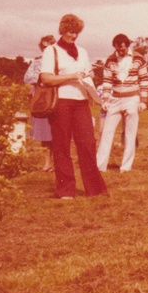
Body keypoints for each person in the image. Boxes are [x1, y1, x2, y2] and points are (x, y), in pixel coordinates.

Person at [39, 14, 107, 199]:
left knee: (87, 144)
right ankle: (65, 190)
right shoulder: (51, 51)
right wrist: (71, 76)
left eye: (77, 32)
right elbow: (45, 78)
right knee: (61, 147)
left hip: (81, 102)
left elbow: (85, 76)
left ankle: (94, 189)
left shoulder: (83, 52)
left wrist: (88, 77)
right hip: (61, 102)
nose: (74, 35)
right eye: (70, 31)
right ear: (62, 30)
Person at [96, 34, 148, 173]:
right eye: (118, 49)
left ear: (128, 46)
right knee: (107, 132)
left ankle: (125, 167)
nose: (120, 52)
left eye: (123, 49)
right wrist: (105, 99)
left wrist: (143, 101)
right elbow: (107, 81)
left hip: (132, 99)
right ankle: (100, 166)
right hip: (114, 99)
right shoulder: (110, 60)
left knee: (130, 134)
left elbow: (144, 79)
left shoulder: (139, 59)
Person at [24, 34, 57, 172]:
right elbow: (27, 78)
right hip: (41, 98)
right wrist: (43, 78)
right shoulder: (37, 61)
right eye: (43, 47)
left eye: (48, 46)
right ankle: (47, 162)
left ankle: (56, 163)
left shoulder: (59, 61)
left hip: (55, 98)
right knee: (44, 134)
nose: (45, 49)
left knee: (57, 132)